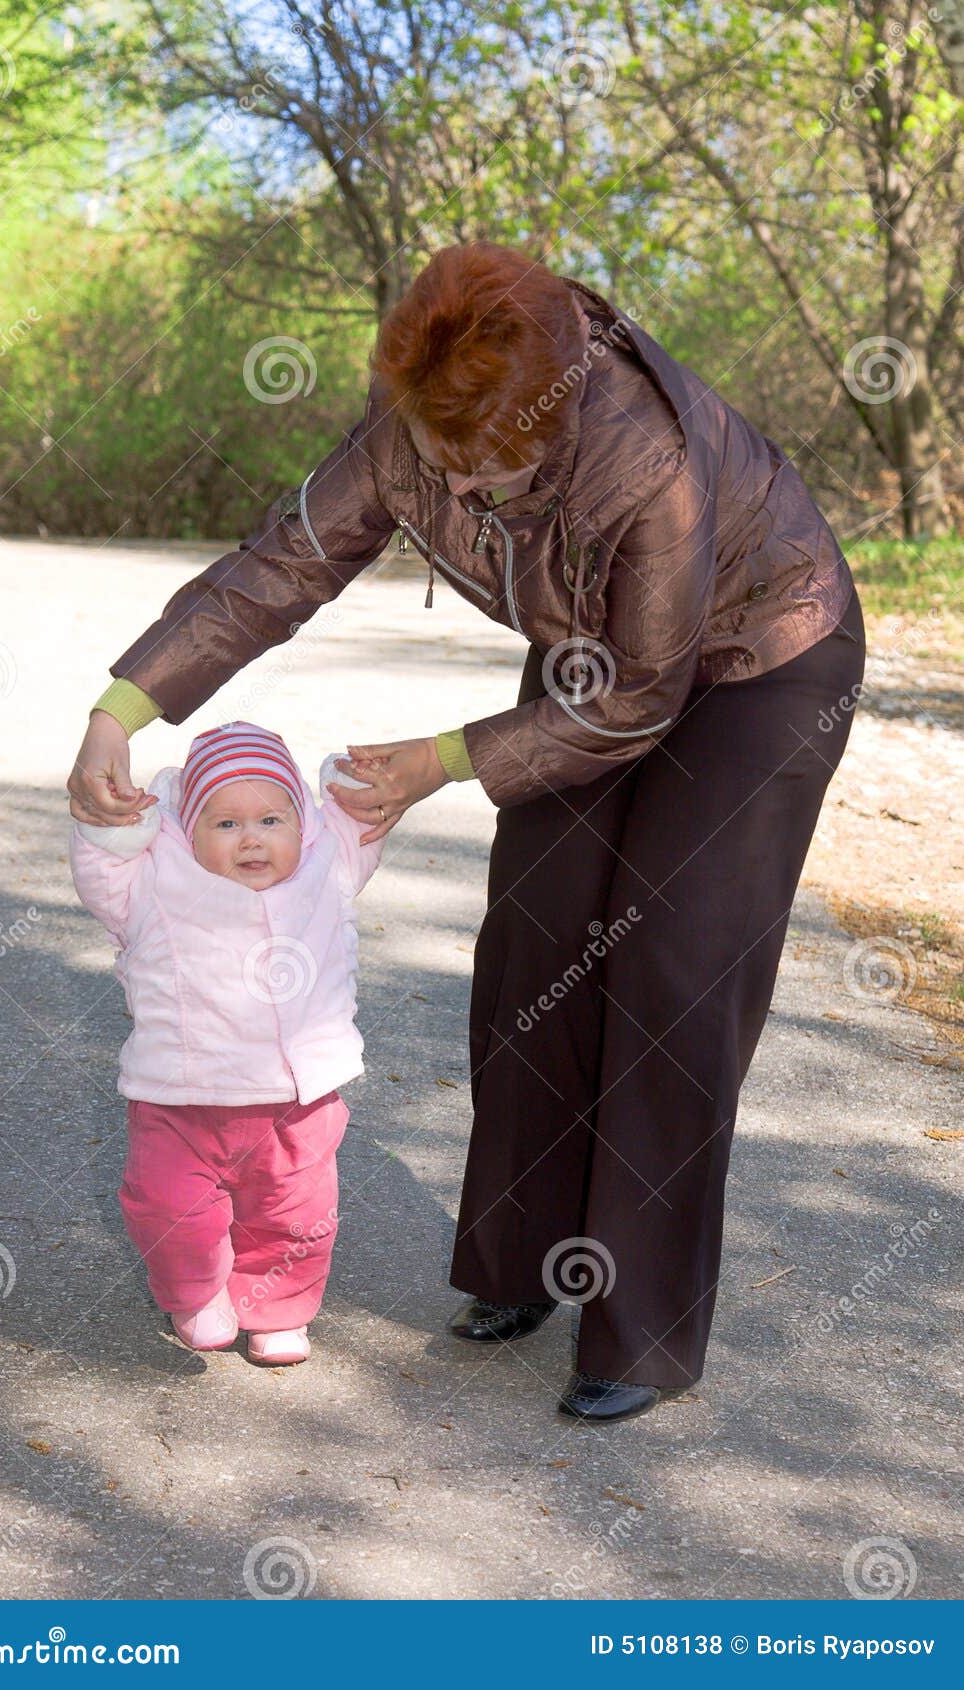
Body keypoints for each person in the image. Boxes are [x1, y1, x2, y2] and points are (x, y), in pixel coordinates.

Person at [67, 240, 866, 1423]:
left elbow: (644, 696)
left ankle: (637, 1326)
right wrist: (119, 710)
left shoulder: (646, 454)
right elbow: (280, 567)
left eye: (502, 465)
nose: (474, 490)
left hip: (760, 662)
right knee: (541, 937)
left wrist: (444, 760)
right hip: (595, 656)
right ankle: (524, 1265)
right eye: (453, 463)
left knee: (674, 965)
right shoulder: (410, 426)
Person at [69, 721, 384, 1366]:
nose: (252, 840)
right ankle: (197, 1294)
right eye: (225, 824)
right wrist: (110, 827)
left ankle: (278, 1308)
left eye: (271, 820)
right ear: (187, 833)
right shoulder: (153, 886)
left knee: (296, 1214)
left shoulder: (326, 871)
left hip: (297, 1100)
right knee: (167, 1207)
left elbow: (355, 823)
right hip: (181, 1098)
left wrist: (353, 789)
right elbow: (101, 866)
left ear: (302, 827)